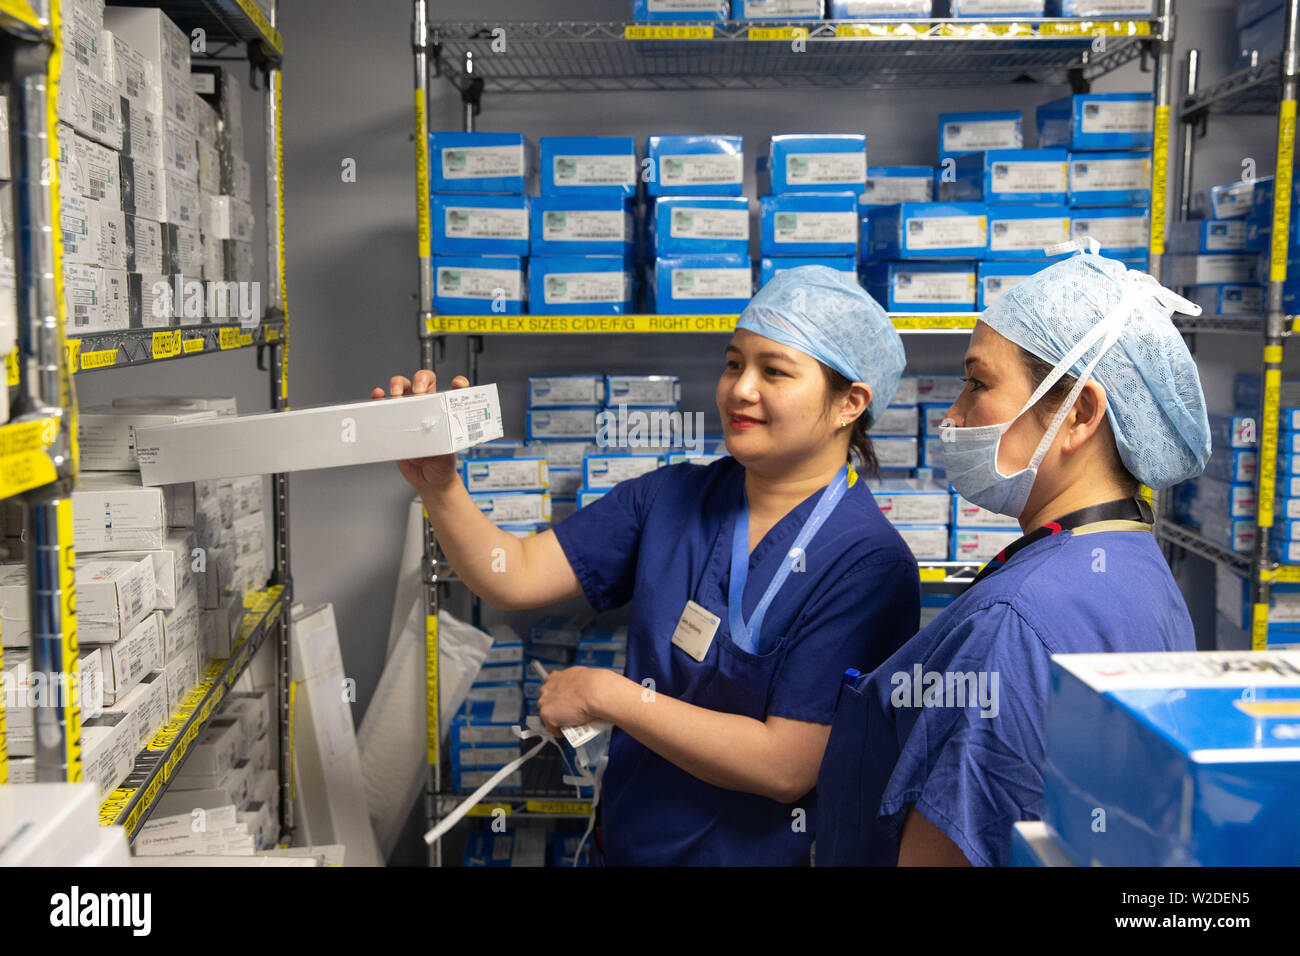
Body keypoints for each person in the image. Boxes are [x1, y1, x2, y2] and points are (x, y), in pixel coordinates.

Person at [376, 266, 920, 865]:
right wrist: (441, 485)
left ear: (850, 402)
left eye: (774, 372)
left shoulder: (867, 562)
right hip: (633, 846)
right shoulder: (669, 498)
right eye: (735, 363)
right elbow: (515, 572)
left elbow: (784, 766)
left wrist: (613, 697)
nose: (739, 388)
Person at [815, 250, 1211, 867]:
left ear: (1077, 414)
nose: (952, 417)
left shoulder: (1016, 619)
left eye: (979, 384)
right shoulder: (1133, 564)